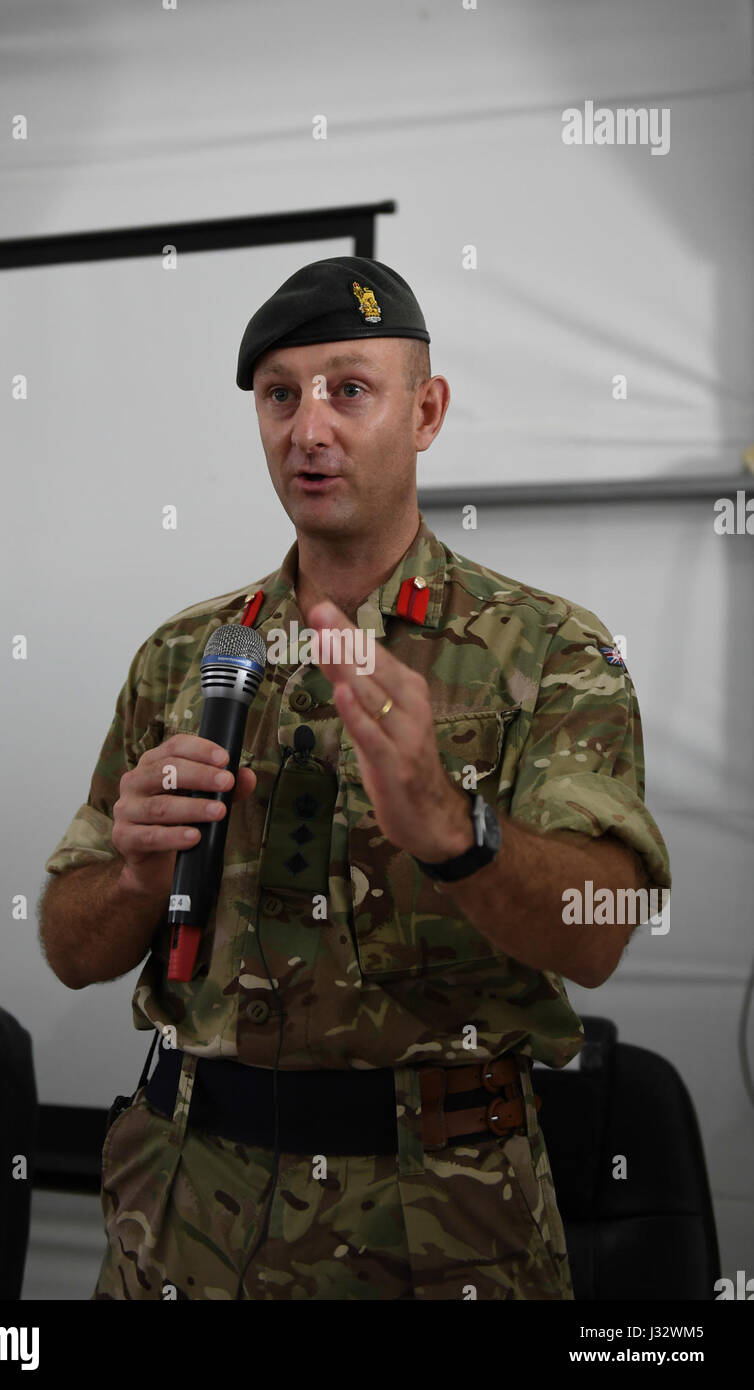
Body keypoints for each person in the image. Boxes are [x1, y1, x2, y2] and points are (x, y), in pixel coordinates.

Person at [38, 255, 671, 1301]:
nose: (307, 428)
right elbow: (68, 945)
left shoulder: (550, 650)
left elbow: (599, 931)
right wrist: (137, 873)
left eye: (347, 388)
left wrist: (449, 825)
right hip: (185, 1205)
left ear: (425, 412)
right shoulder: (189, 655)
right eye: (278, 395)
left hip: (437, 1217)